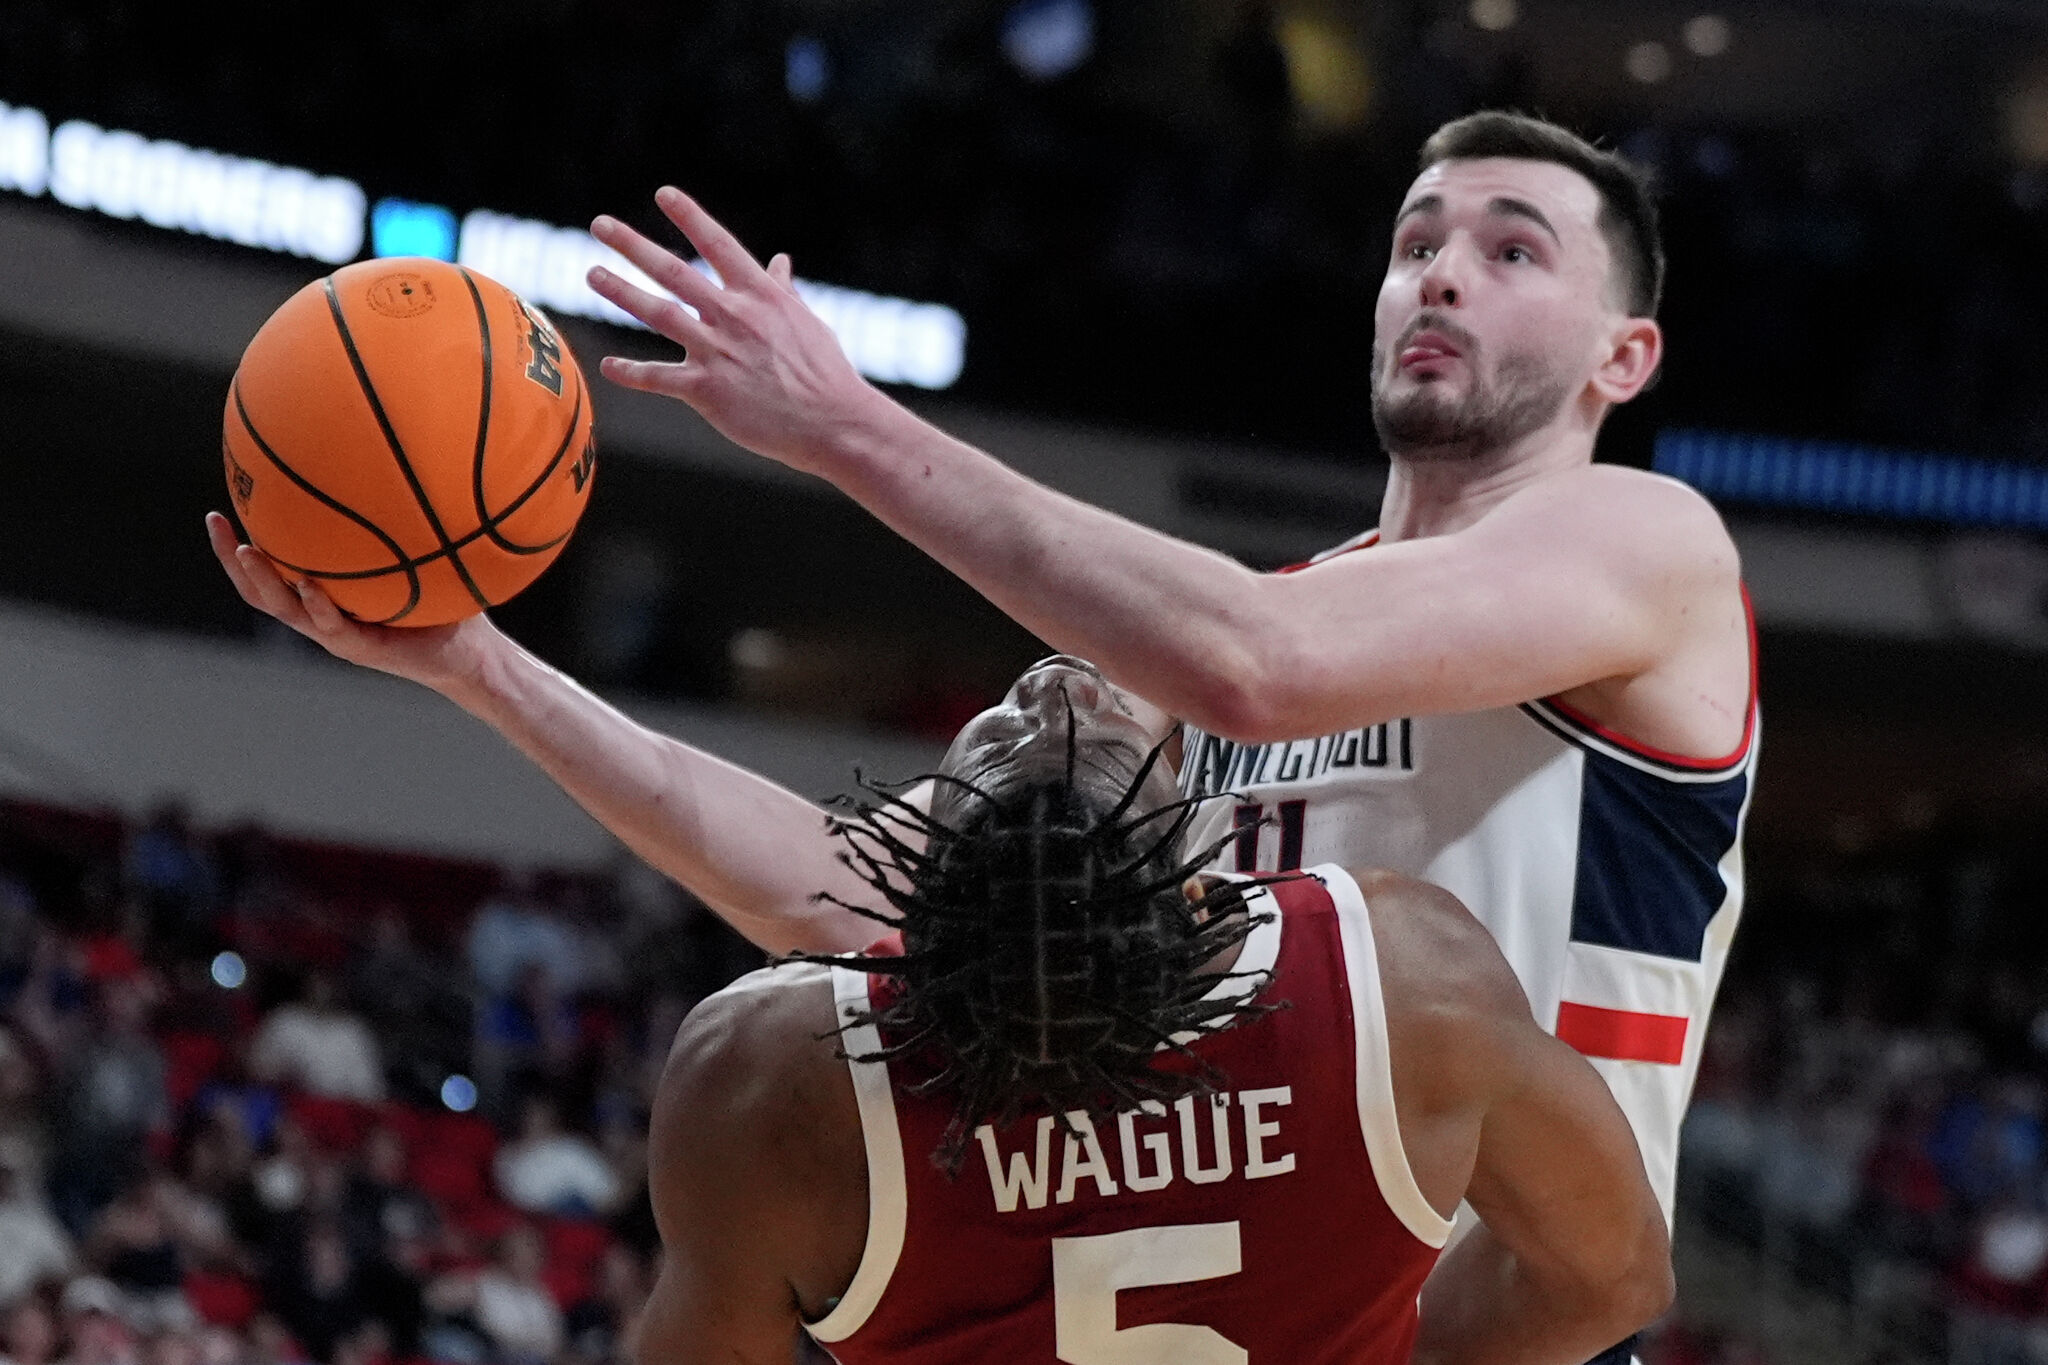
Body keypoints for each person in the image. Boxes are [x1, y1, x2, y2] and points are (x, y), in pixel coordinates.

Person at [580, 111, 1754, 1363]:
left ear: (1621, 358)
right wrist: (475, 662)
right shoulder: (1233, 640)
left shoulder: (1647, 544)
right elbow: (839, 880)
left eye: (1512, 252)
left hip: (1522, 1320)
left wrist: (842, 425)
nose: (1442, 271)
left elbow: (1257, 663)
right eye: (1415, 243)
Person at [634, 656, 1671, 1363]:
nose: (1049, 688)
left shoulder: (772, 1077)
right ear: (1191, 886)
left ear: (921, 906)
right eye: (1089, 731)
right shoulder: (1398, 981)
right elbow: (1611, 1278)